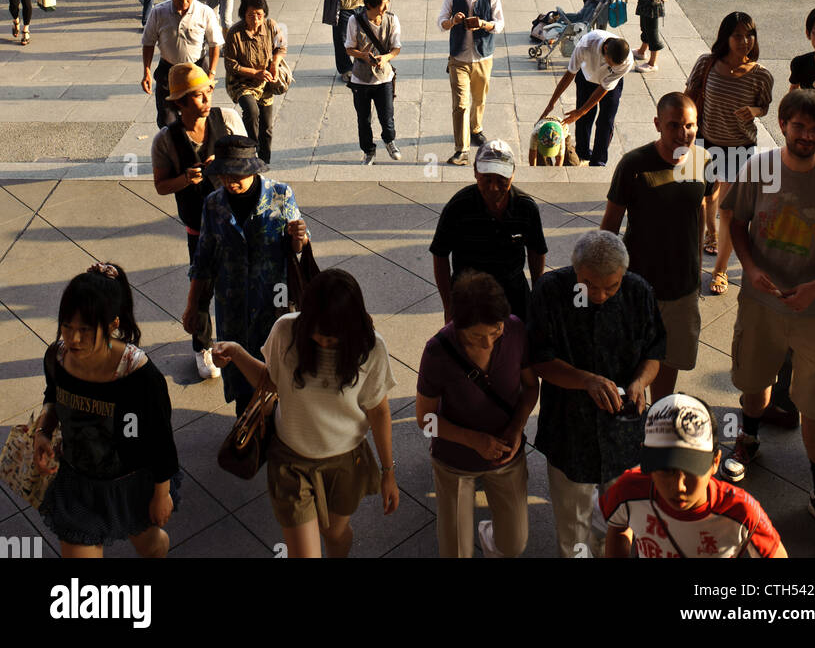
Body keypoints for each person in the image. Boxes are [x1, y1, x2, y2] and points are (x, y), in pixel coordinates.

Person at [724, 89, 815, 544]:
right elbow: (735, 222)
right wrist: (752, 268)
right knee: (754, 381)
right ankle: (749, 436)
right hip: (762, 303)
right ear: (782, 124)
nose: (806, 135)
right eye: (799, 126)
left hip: (813, 310)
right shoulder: (758, 168)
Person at [212, 270, 397, 557]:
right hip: (290, 462)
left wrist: (388, 472)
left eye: (333, 339)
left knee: (335, 535)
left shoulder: (371, 348)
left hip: (345, 460)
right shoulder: (286, 330)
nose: (323, 343)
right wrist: (236, 353)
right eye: (317, 334)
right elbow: (271, 381)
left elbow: (379, 411)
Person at [528, 230, 664, 558]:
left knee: (618, 516)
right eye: (589, 285)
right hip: (569, 431)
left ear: (624, 275)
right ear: (576, 270)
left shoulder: (638, 291)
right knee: (572, 524)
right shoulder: (550, 292)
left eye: (611, 286)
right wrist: (586, 380)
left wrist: (641, 381)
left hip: (622, 431)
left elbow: (655, 350)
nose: (600, 295)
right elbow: (539, 359)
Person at [33, 261, 180, 558]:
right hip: (78, 485)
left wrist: (161, 494)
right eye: (67, 326)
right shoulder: (56, 358)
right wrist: (43, 432)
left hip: (131, 485)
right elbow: (53, 394)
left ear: (113, 325)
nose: (73, 339)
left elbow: (160, 438)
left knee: (152, 548)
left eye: (85, 330)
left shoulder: (139, 376)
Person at [416, 270, 538, 559]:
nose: (488, 344)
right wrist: (473, 440)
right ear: (457, 326)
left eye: (495, 332)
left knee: (514, 544)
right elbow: (425, 420)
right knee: (456, 550)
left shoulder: (516, 330)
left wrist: (517, 428)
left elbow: (531, 386)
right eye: (476, 337)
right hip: (453, 463)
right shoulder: (437, 352)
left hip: (506, 457)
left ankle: (487, 533)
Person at [184, 135, 309, 414]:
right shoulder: (213, 204)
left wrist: (299, 236)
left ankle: (279, 425)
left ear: (253, 169)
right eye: (225, 174)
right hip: (232, 305)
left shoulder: (280, 194)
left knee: (277, 369)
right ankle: (247, 428)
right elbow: (203, 260)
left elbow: (298, 247)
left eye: (237, 174)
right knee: (240, 373)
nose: (231, 181)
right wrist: (193, 305)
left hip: (273, 302)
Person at [603, 94, 712, 401]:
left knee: (671, 358)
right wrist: (604, 281)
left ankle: (658, 415)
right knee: (633, 360)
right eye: (674, 125)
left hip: (683, 287)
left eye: (690, 125)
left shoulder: (703, 160)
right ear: (657, 124)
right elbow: (610, 226)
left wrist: (699, 262)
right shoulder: (634, 165)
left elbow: (700, 209)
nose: (683, 133)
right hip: (638, 285)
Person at [602, 394, 787, 559]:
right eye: (666, 470)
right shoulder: (628, 490)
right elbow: (618, 527)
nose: (679, 486)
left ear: (715, 462)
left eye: (691, 470)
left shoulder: (742, 512)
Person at [151, 63, 245, 379]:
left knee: (237, 284)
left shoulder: (227, 119)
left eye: (207, 91)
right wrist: (185, 180)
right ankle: (202, 346)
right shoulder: (165, 140)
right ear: (179, 103)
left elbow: (249, 163)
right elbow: (161, 186)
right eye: (196, 96)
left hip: (235, 219)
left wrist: (225, 162)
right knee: (201, 285)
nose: (206, 99)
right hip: (199, 226)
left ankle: (238, 342)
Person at [686, 11, 773, 297]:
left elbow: (765, 106)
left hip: (740, 149)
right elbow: (688, 98)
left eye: (749, 35)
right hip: (705, 143)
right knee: (698, 203)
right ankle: (701, 249)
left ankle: (720, 270)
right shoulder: (707, 64)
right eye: (737, 35)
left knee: (730, 211)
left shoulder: (761, 75)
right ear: (725, 37)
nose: (744, 41)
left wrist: (755, 111)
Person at [430, 140, 547, 320]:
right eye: (487, 179)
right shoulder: (458, 207)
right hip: (469, 296)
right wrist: (449, 305)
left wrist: (537, 297)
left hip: (513, 295)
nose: (493, 187)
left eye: (501, 180)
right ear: (476, 173)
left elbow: (536, 251)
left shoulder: (526, 207)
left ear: (513, 175)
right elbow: (440, 254)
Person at [437, 0, 505, 167]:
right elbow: (440, 22)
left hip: (483, 57)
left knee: (479, 98)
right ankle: (462, 149)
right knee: (460, 105)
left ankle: (476, 128)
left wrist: (484, 24)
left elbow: (500, 24)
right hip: (458, 58)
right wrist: (453, 21)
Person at [141, 0, 223, 129]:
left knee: (198, 117)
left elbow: (215, 44)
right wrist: (146, 71)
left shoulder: (204, 12)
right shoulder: (158, 12)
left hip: (197, 71)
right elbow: (148, 43)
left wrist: (211, 74)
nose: (184, 1)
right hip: (168, 72)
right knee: (167, 121)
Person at [541, 29, 633, 168]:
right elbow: (570, 73)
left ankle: (598, 161)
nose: (611, 66)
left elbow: (604, 88)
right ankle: (582, 153)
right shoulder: (586, 44)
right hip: (586, 77)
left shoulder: (627, 61)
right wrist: (552, 102)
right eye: (610, 63)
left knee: (606, 122)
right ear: (606, 48)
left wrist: (581, 111)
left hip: (609, 85)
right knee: (584, 119)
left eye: (614, 66)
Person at [223, 0, 289, 167]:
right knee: (252, 113)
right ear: (244, 14)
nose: (256, 19)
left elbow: (281, 47)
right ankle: (250, 153)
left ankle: (264, 161)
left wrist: (275, 63)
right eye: (251, 15)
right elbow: (231, 65)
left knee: (266, 126)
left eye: (260, 15)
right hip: (240, 82)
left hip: (265, 82)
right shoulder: (234, 34)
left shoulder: (271, 26)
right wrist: (254, 73)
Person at [345, 0, 402, 164]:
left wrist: (385, 58)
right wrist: (363, 55)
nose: (385, 8)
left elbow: (396, 48)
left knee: (387, 116)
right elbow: (349, 48)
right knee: (363, 119)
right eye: (381, 5)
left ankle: (389, 140)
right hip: (361, 79)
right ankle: (369, 151)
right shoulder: (355, 21)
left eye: (386, 3)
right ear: (369, 5)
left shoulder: (392, 20)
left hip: (384, 78)